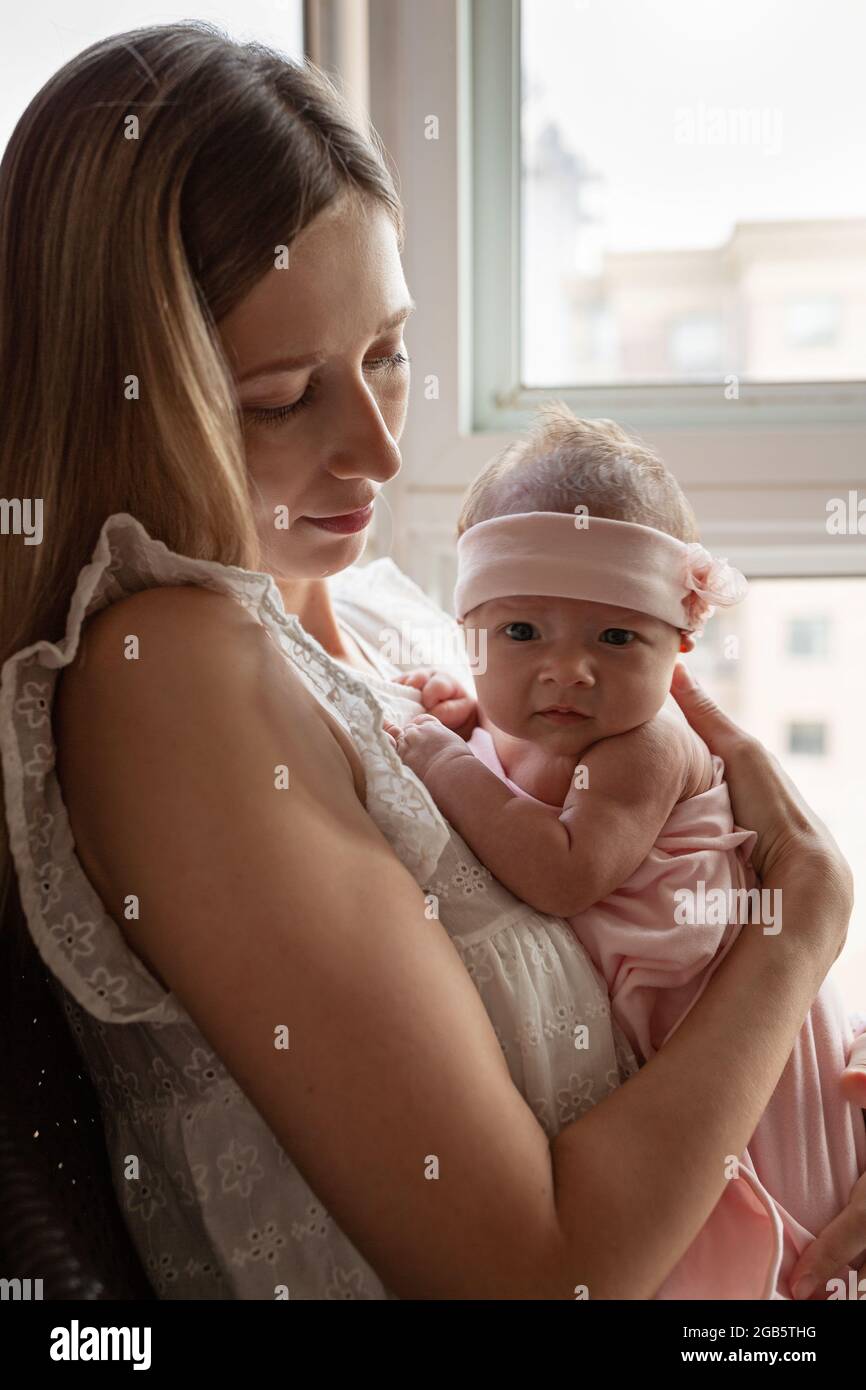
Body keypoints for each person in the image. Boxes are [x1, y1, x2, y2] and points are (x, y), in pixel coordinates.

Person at [0, 21, 861, 1301]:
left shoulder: (389, 612)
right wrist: (795, 932)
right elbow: (531, 1275)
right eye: (284, 396)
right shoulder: (162, 675)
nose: (381, 452)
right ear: (134, 389)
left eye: (389, 354)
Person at [388, 407, 866, 1298]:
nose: (569, 671)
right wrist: (469, 721)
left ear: (679, 644)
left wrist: (436, 753)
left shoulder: (646, 744)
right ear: (469, 631)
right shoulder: (540, 725)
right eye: (522, 634)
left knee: (784, 1268)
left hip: (774, 1071)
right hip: (710, 1050)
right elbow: (517, 778)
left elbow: (563, 871)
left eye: (615, 638)